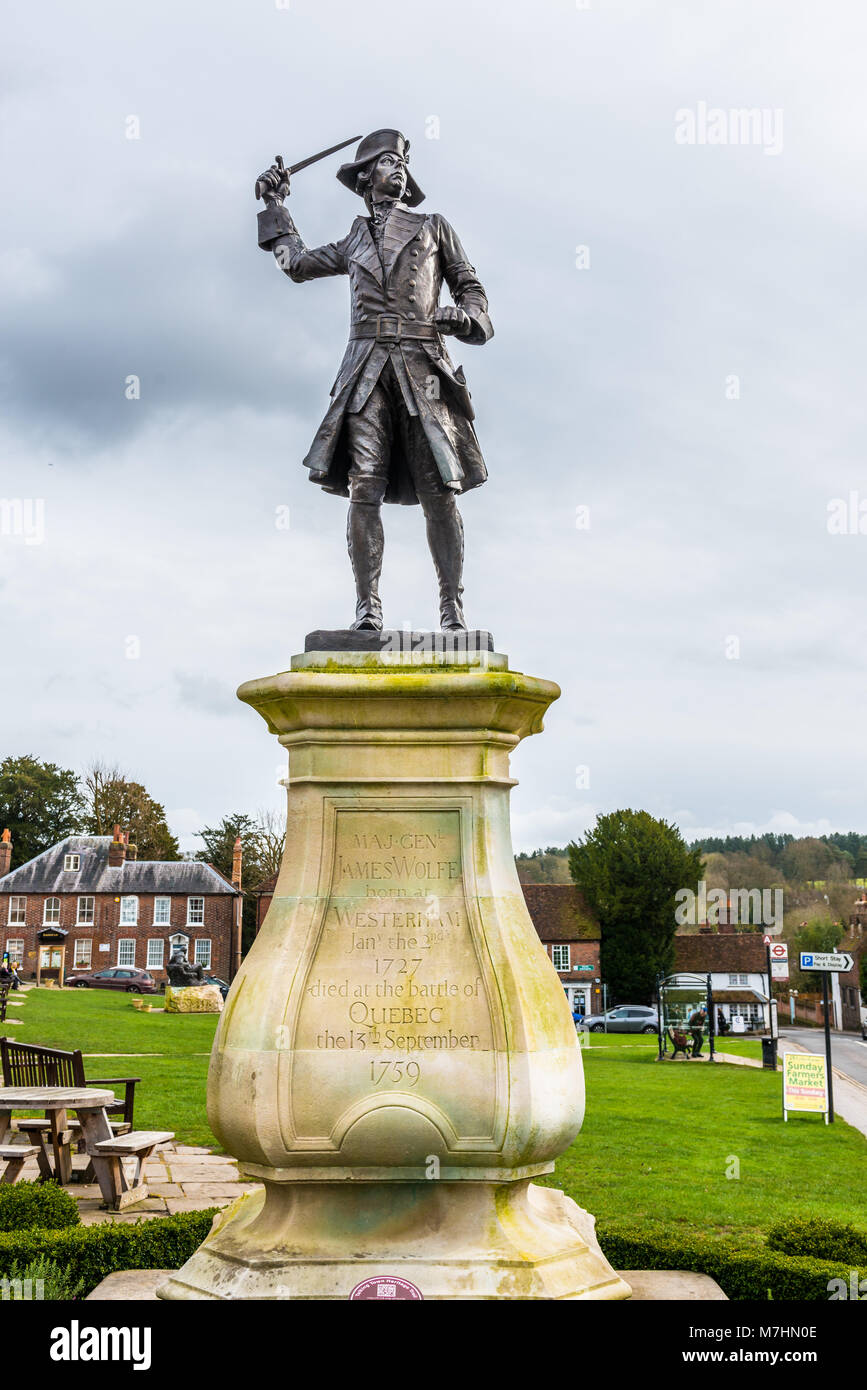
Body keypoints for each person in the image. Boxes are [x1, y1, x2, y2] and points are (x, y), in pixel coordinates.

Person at [255, 129, 494, 632]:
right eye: (388, 162)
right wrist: (276, 204)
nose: (400, 169)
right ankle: (368, 607)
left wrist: (464, 318)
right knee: (364, 485)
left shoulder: (433, 227)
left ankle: (452, 606)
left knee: (438, 489)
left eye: (402, 163)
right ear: (366, 178)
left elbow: (473, 291)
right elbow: (295, 263)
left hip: (422, 367)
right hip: (365, 369)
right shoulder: (354, 239)